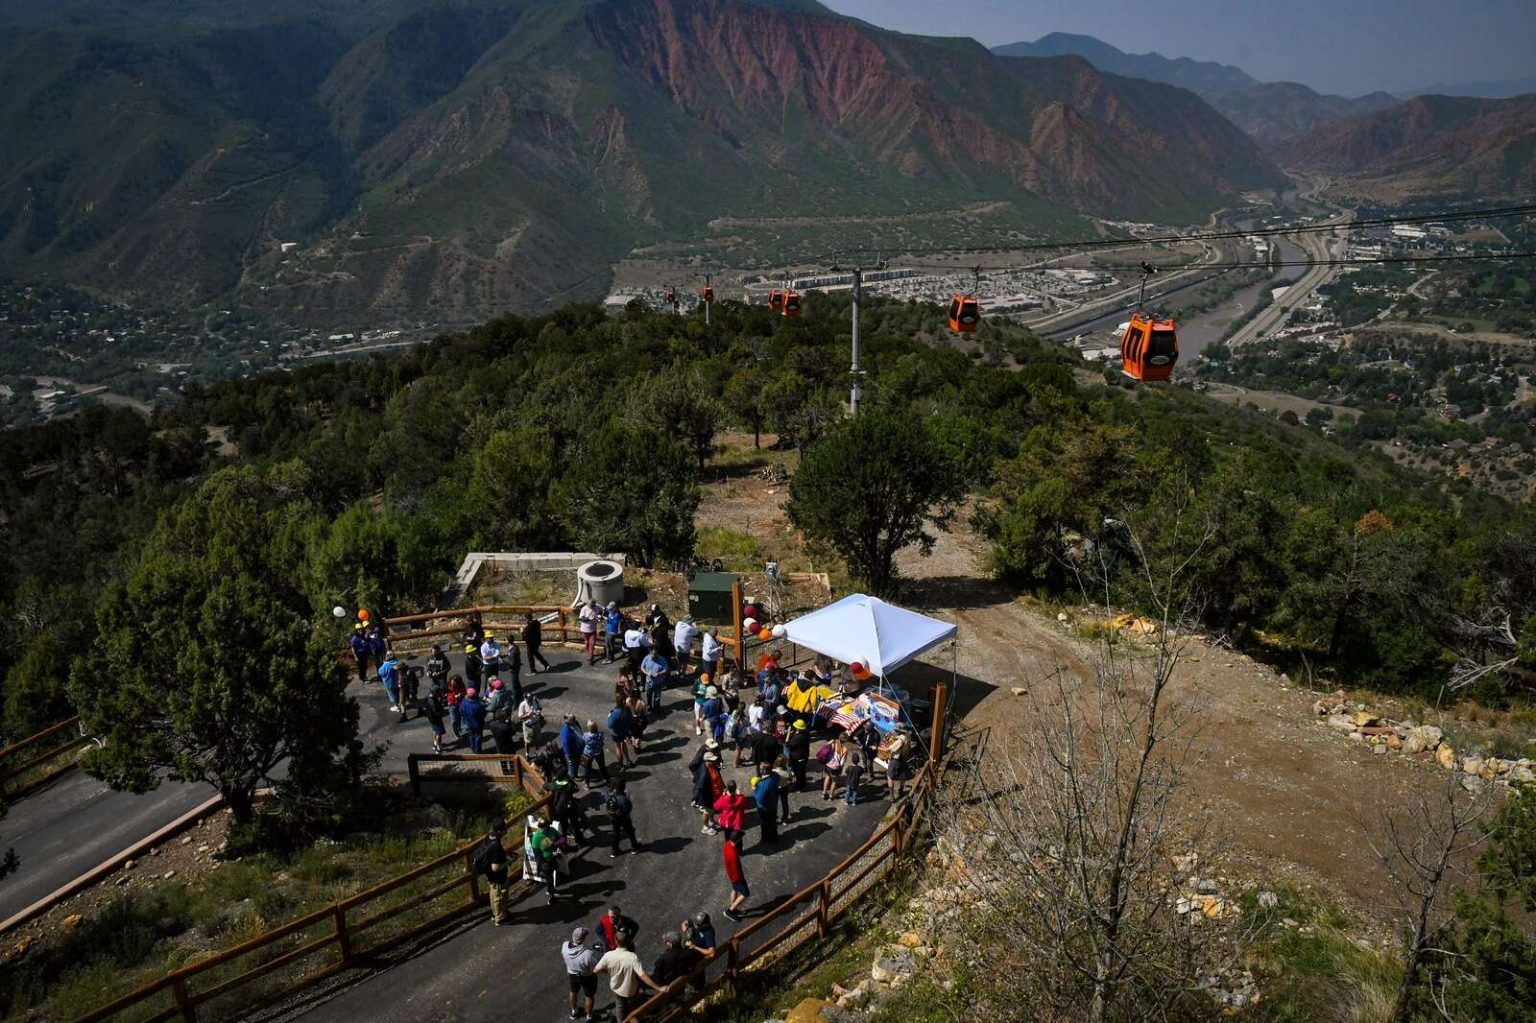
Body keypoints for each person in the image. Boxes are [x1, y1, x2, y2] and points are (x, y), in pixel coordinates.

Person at [594, 933, 662, 1022]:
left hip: (616, 987)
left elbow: (596, 970)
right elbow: (643, 976)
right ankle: (635, 1016)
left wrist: (608, 971)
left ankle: (621, 1021)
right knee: (634, 1003)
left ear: (615, 941)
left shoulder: (608, 955)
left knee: (619, 1006)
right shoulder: (632, 957)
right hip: (631, 988)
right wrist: (659, 988)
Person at [475, 825, 513, 925]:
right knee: (500, 895)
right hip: (497, 876)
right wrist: (508, 862)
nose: (506, 829)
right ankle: (499, 918)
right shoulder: (496, 845)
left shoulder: (488, 837)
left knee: (493, 892)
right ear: (500, 831)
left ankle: (496, 913)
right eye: (505, 828)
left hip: (489, 874)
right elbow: (495, 868)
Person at [562, 927, 602, 1022]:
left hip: (572, 973)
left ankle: (574, 1012)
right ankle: (589, 1017)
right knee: (589, 996)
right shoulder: (587, 954)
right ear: (583, 939)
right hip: (586, 976)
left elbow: (563, 955)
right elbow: (594, 967)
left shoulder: (564, 945)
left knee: (573, 991)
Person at [690, 745, 724, 835]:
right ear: (706, 761)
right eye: (712, 760)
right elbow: (700, 787)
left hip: (713, 795)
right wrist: (703, 801)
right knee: (707, 811)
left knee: (711, 810)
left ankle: (711, 822)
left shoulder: (711, 766)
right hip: (708, 797)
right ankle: (705, 827)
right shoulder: (704, 772)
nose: (714, 761)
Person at [550, 773, 591, 845]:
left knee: (564, 828)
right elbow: (576, 788)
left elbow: (546, 785)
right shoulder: (569, 786)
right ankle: (580, 841)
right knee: (575, 825)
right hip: (570, 808)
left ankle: (563, 843)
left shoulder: (554, 785)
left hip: (559, 810)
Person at [605, 778, 642, 857]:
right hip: (624, 819)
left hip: (613, 818)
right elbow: (628, 809)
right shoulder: (623, 798)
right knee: (630, 832)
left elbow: (606, 800)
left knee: (616, 834)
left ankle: (615, 851)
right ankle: (634, 847)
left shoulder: (608, 794)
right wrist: (627, 797)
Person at [713, 780, 750, 849]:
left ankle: (730, 849)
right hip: (738, 822)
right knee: (738, 838)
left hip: (726, 823)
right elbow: (746, 806)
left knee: (727, 837)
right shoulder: (741, 798)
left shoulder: (723, 799)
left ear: (727, 788)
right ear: (736, 788)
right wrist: (740, 794)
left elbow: (716, 807)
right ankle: (739, 852)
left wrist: (722, 796)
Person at [722, 834, 750, 921]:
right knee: (745, 894)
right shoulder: (733, 855)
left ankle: (733, 909)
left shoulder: (727, 844)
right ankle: (730, 911)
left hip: (731, 875)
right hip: (737, 877)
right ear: (738, 840)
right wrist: (739, 879)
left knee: (735, 889)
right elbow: (736, 869)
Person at [752, 767, 781, 844]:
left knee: (765, 823)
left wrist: (754, 789)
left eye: (761, 769)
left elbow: (759, 798)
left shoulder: (763, 785)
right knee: (773, 821)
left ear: (764, 770)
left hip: (764, 808)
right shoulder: (775, 775)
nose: (759, 770)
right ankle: (774, 836)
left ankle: (765, 838)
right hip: (773, 804)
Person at [581, 718, 611, 788]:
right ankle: (607, 779)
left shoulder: (585, 735)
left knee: (587, 768)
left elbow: (583, 741)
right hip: (598, 752)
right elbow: (602, 741)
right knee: (602, 766)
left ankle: (587, 784)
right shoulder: (600, 735)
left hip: (588, 753)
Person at [884, 729, 914, 800]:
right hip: (903, 758)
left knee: (889, 776)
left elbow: (889, 749)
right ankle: (901, 791)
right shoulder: (907, 735)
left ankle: (891, 797)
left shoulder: (899, 741)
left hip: (895, 760)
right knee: (902, 775)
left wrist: (887, 743)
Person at [607, 698, 638, 768]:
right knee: (623, 743)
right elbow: (631, 720)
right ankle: (628, 760)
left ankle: (620, 763)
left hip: (616, 733)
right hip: (625, 731)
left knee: (618, 746)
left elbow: (610, 725)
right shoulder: (627, 710)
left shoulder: (615, 712)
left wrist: (609, 716)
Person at [785, 718, 812, 792]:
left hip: (797, 758)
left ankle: (799, 788)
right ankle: (803, 784)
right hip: (804, 756)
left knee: (798, 774)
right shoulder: (806, 734)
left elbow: (787, 744)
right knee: (802, 772)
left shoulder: (797, 738)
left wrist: (788, 734)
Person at [640, 647, 668, 715]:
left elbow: (666, 669)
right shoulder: (646, 658)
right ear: (650, 654)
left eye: (655, 657)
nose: (653, 659)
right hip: (649, 681)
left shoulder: (662, 659)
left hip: (658, 682)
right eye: (652, 657)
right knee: (648, 696)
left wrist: (658, 674)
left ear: (657, 654)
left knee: (657, 697)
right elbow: (642, 667)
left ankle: (656, 710)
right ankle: (649, 708)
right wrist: (647, 673)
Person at [818, 735, 847, 801]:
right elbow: (842, 763)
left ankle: (824, 793)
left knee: (827, 778)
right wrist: (841, 768)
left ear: (839, 737)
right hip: (835, 768)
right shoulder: (845, 749)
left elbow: (826, 747)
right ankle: (831, 796)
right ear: (845, 741)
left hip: (828, 764)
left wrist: (831, 741)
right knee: (834, 781)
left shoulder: (834, 743)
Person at [459, 687, 486, 753]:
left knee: (471, 736)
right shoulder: (479, 705)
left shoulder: (464, 703)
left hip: (469, 723)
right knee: (478, 737)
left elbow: (461, 712)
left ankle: (473, 748)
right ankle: (477, 750)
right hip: (478, 724)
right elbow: (484, 713)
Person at [423, 683, 447, 753]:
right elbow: (437, 711)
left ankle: (435, 744)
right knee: (439, 733)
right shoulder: (433, 702)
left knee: (435, 731)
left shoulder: (428, 698)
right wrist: (442, 712)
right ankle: (438, 747)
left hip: (432, 719)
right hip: (436, 719)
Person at [559, 714, 584, 780]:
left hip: (578, 749)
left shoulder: (574, 724)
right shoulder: (566, 732)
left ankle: (574, 774)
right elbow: (565, 744)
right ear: (568, 721)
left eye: (574, 719)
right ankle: (572, 777)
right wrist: (569, 754)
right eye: (573, 720)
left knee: (577, 762)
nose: (574, 721)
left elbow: (580, 731)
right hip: (572, 752)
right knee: (572, 764)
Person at [579, 599, 602, 665]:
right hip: (585, 630)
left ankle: (590, 658)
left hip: (593, 629)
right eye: (590, 605)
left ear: (594, 604)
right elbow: (581, 618)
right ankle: (589, 653)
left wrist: (599, 616)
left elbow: (602, 611)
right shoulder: (584, 609)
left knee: (592, 643)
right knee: (587, 643)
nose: (591, 607)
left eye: (592, 605)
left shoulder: (597, 607)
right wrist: (589, 619)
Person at [446, 674, 467, 739]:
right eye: (452, 681)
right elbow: (447, 695)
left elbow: (464, 691)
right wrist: (454, 696)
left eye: (455, 682)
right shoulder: (448, 685)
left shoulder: (461, 684)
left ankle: (459, 728)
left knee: (459, 717)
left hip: (459, 703)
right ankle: (456, 734)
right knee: (454, 720)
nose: (453, 683)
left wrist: (460, 694)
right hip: (452, 704)